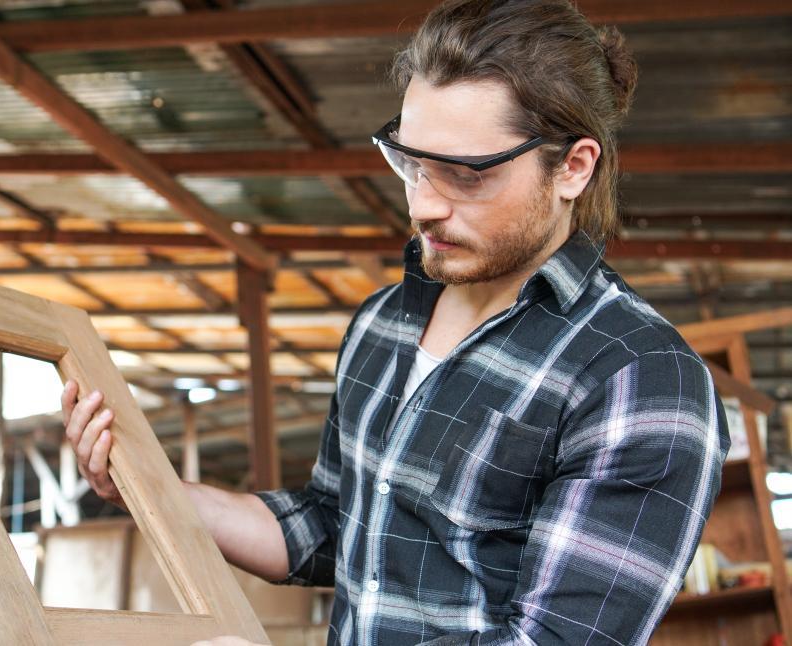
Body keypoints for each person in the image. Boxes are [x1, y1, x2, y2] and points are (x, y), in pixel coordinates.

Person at [61, 1, 730, 643]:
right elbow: (334, 527)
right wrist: (152, 488)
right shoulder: (383, 325)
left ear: (573, 168)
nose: (424, 208)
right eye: (410, 163)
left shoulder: (640, 380)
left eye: (464, 175)